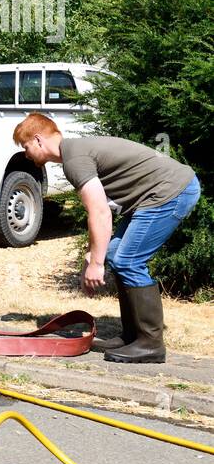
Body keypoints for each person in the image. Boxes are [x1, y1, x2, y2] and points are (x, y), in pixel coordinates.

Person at [13, 113, 200, 364]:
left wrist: (96, 265)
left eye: (25, 148)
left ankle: (151, 344)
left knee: (128, 260)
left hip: (170, 192)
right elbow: (101, 213)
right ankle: (133, 336)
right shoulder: (75, 153)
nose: (26, 154)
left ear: (37, 140)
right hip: (156, 196)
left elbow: (100, 212)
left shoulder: (75, 159)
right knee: (115, 254)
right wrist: (93, 255)